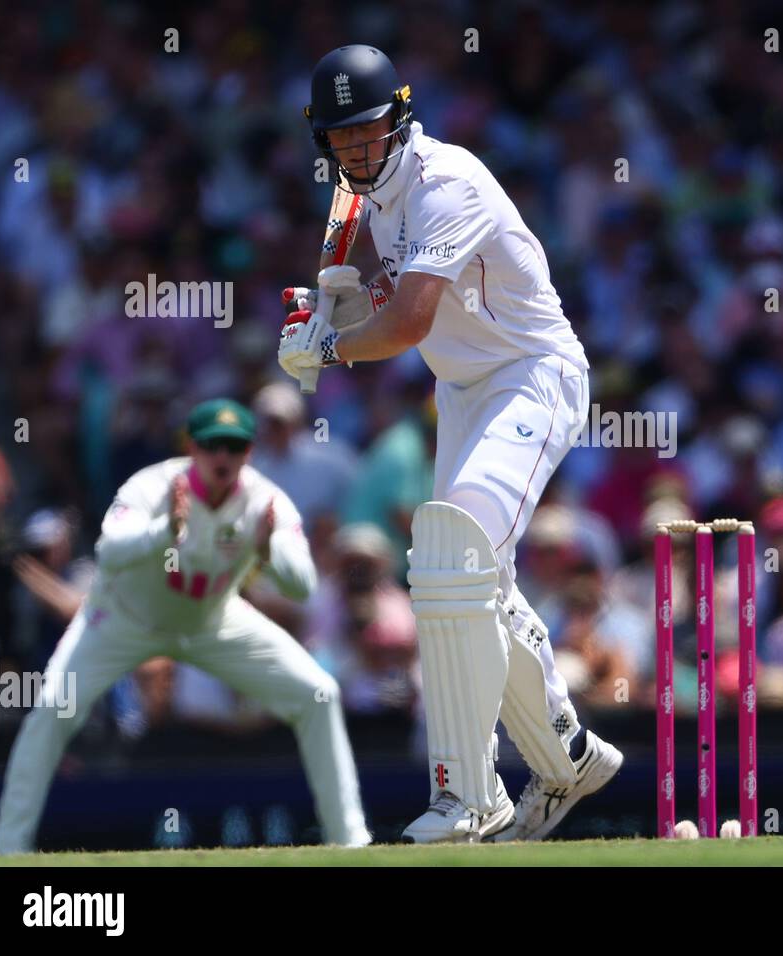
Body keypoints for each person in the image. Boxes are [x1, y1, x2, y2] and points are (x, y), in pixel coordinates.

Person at [277, 45, 621, 843]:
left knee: (451, 554)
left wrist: (326, 349)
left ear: (398, 118)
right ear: (322, 142)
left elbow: (410, 322)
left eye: (369, 133)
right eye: (342, 140)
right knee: (468, 579)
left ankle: (471, 797)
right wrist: (330, 320)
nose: (357, 152)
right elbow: (387, 313)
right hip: (464, 391)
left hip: (532, 375)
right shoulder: (371, 193)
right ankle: (568, 757)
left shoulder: (446, 182)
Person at [0, 399, 371, 853]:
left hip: (212, 619)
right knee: (53, 706)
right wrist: (164, 532)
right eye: (213, 446)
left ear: (249, 451)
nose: (223, 458)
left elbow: (302, 585)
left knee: (319, 693)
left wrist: (268, 548)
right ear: (192, 446)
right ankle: (10, 849)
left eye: (234, 447)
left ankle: (350, 842)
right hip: (122, 620)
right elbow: (108, 551)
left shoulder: (264, 501)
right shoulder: (152, 486)